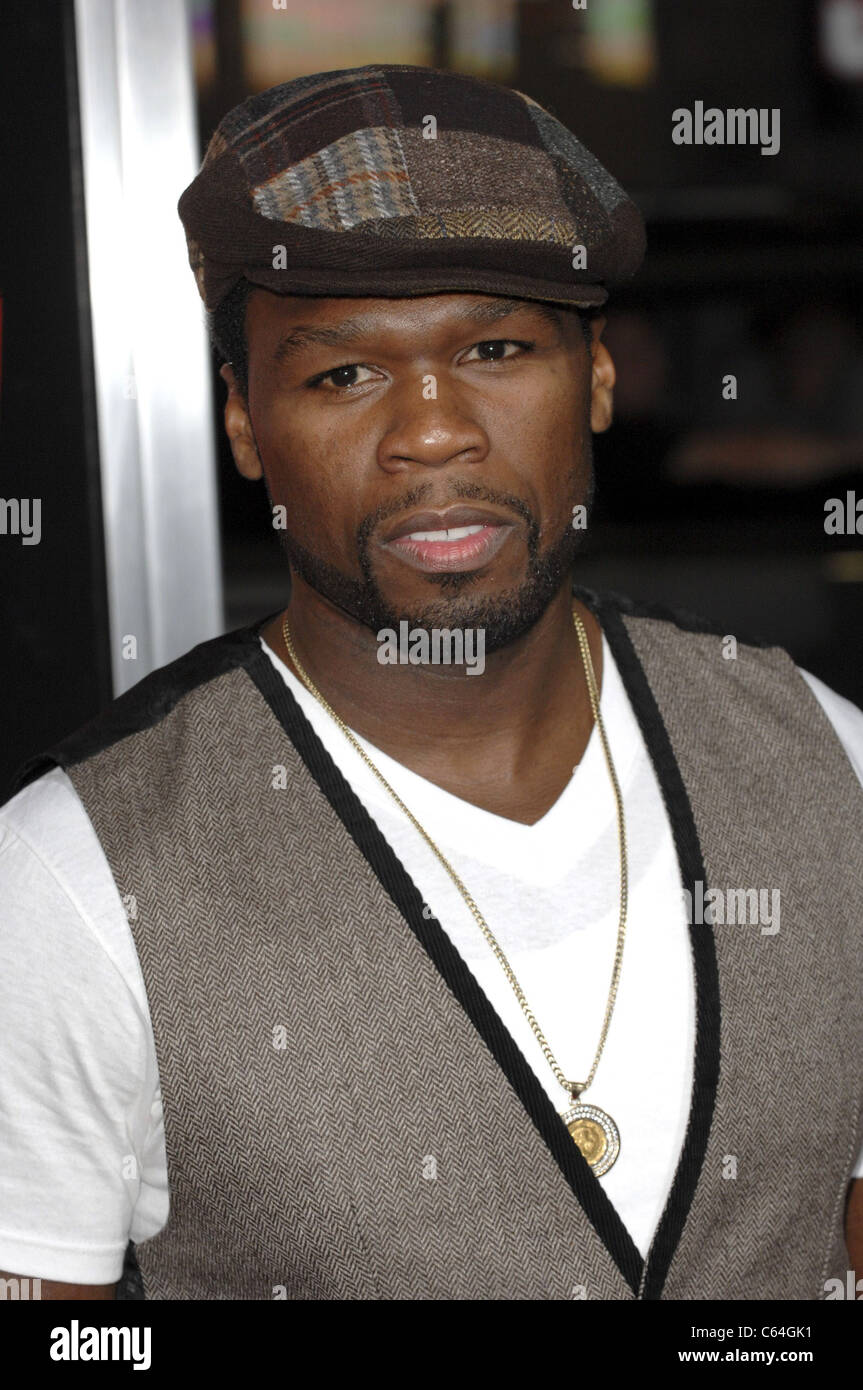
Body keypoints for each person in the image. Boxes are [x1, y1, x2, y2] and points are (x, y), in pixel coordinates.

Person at [1, 64, 861, 1302]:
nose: (430, 430)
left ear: (599, 379)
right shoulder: (74, 878)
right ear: (244, 424)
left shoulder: (815, 759)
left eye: (496, 348)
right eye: (342, 375)